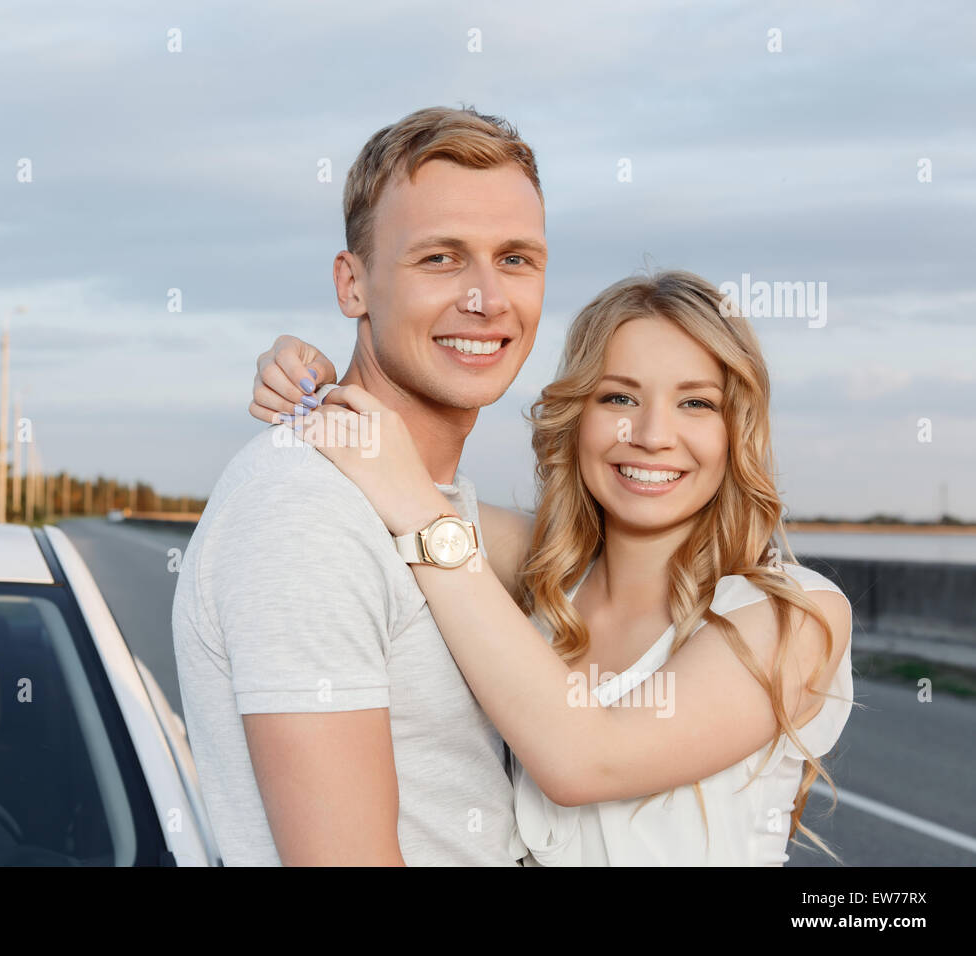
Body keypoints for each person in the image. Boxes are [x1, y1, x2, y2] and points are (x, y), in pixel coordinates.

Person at [247, 270, 856, 865]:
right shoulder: (539, 571)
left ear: (735, 431)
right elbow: (378, 476)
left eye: (696, 403)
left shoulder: (793, 616)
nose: (650, 434)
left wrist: (420, 515)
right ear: (578, 414)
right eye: (619, 397)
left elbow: (585, 761)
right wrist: (310, 383)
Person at [172, 105, 549, 865]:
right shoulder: (304, 512)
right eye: (440, 258)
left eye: (515, 258)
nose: (487, 298)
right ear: (354, 284)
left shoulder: (433, 496)